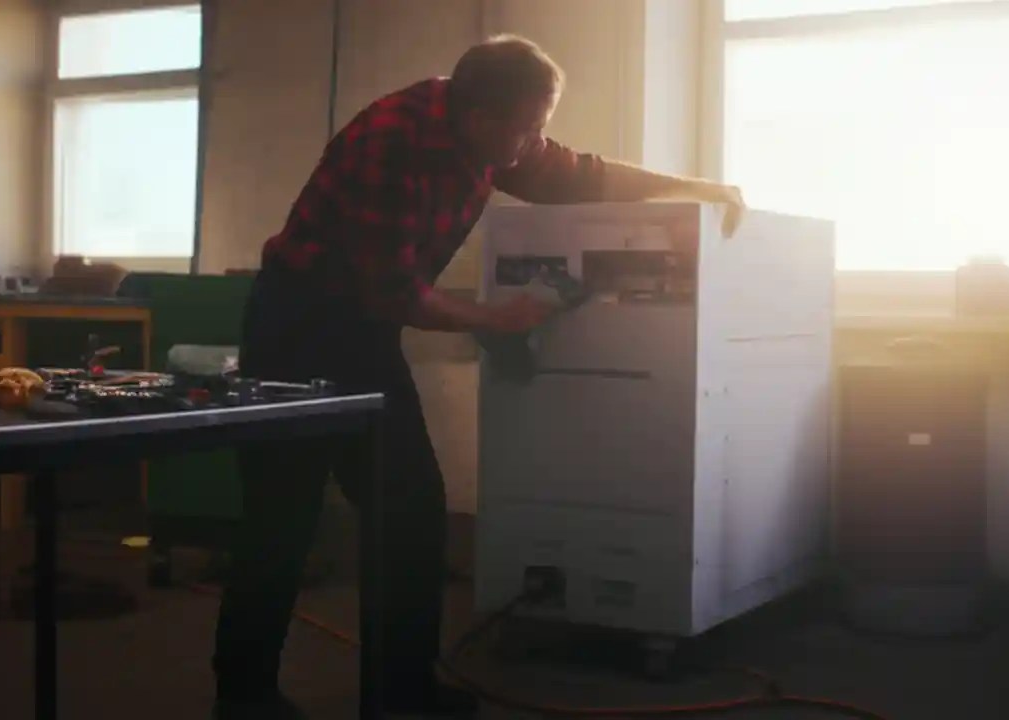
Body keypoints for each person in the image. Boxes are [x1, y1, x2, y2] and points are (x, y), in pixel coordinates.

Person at [212, 34, 745, 719]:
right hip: (296, 329)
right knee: (283, 518)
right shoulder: (390, 142)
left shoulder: (494, 135)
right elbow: (391, 291)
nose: (531, 145)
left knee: (408, 512)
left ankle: (400, 693)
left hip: (362, 334)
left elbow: (579, 175)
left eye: (539, 128)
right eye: (526, 130)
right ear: (478, 118)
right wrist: (495, 320)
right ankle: (244, 696)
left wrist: (698, 188)